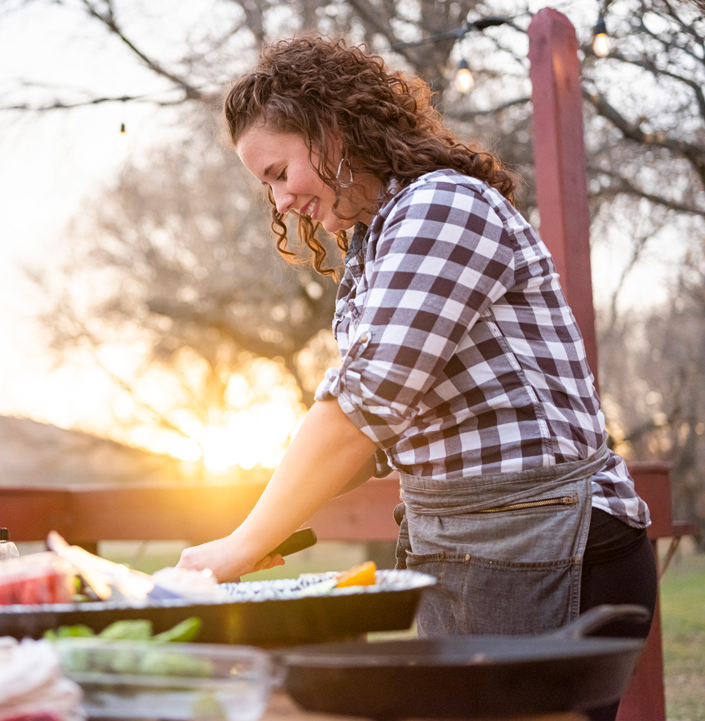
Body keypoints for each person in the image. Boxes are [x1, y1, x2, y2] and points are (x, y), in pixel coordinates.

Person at [176, 36, 656, 721]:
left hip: (553, 545)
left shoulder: (442, 208)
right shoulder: (376, 246)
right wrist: (269, 527)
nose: (281, 203)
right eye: (267, 186)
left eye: (280, 172)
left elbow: (362, 406)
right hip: (472, 550)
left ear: (331, 129)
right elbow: (374, 436)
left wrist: (239, 543)